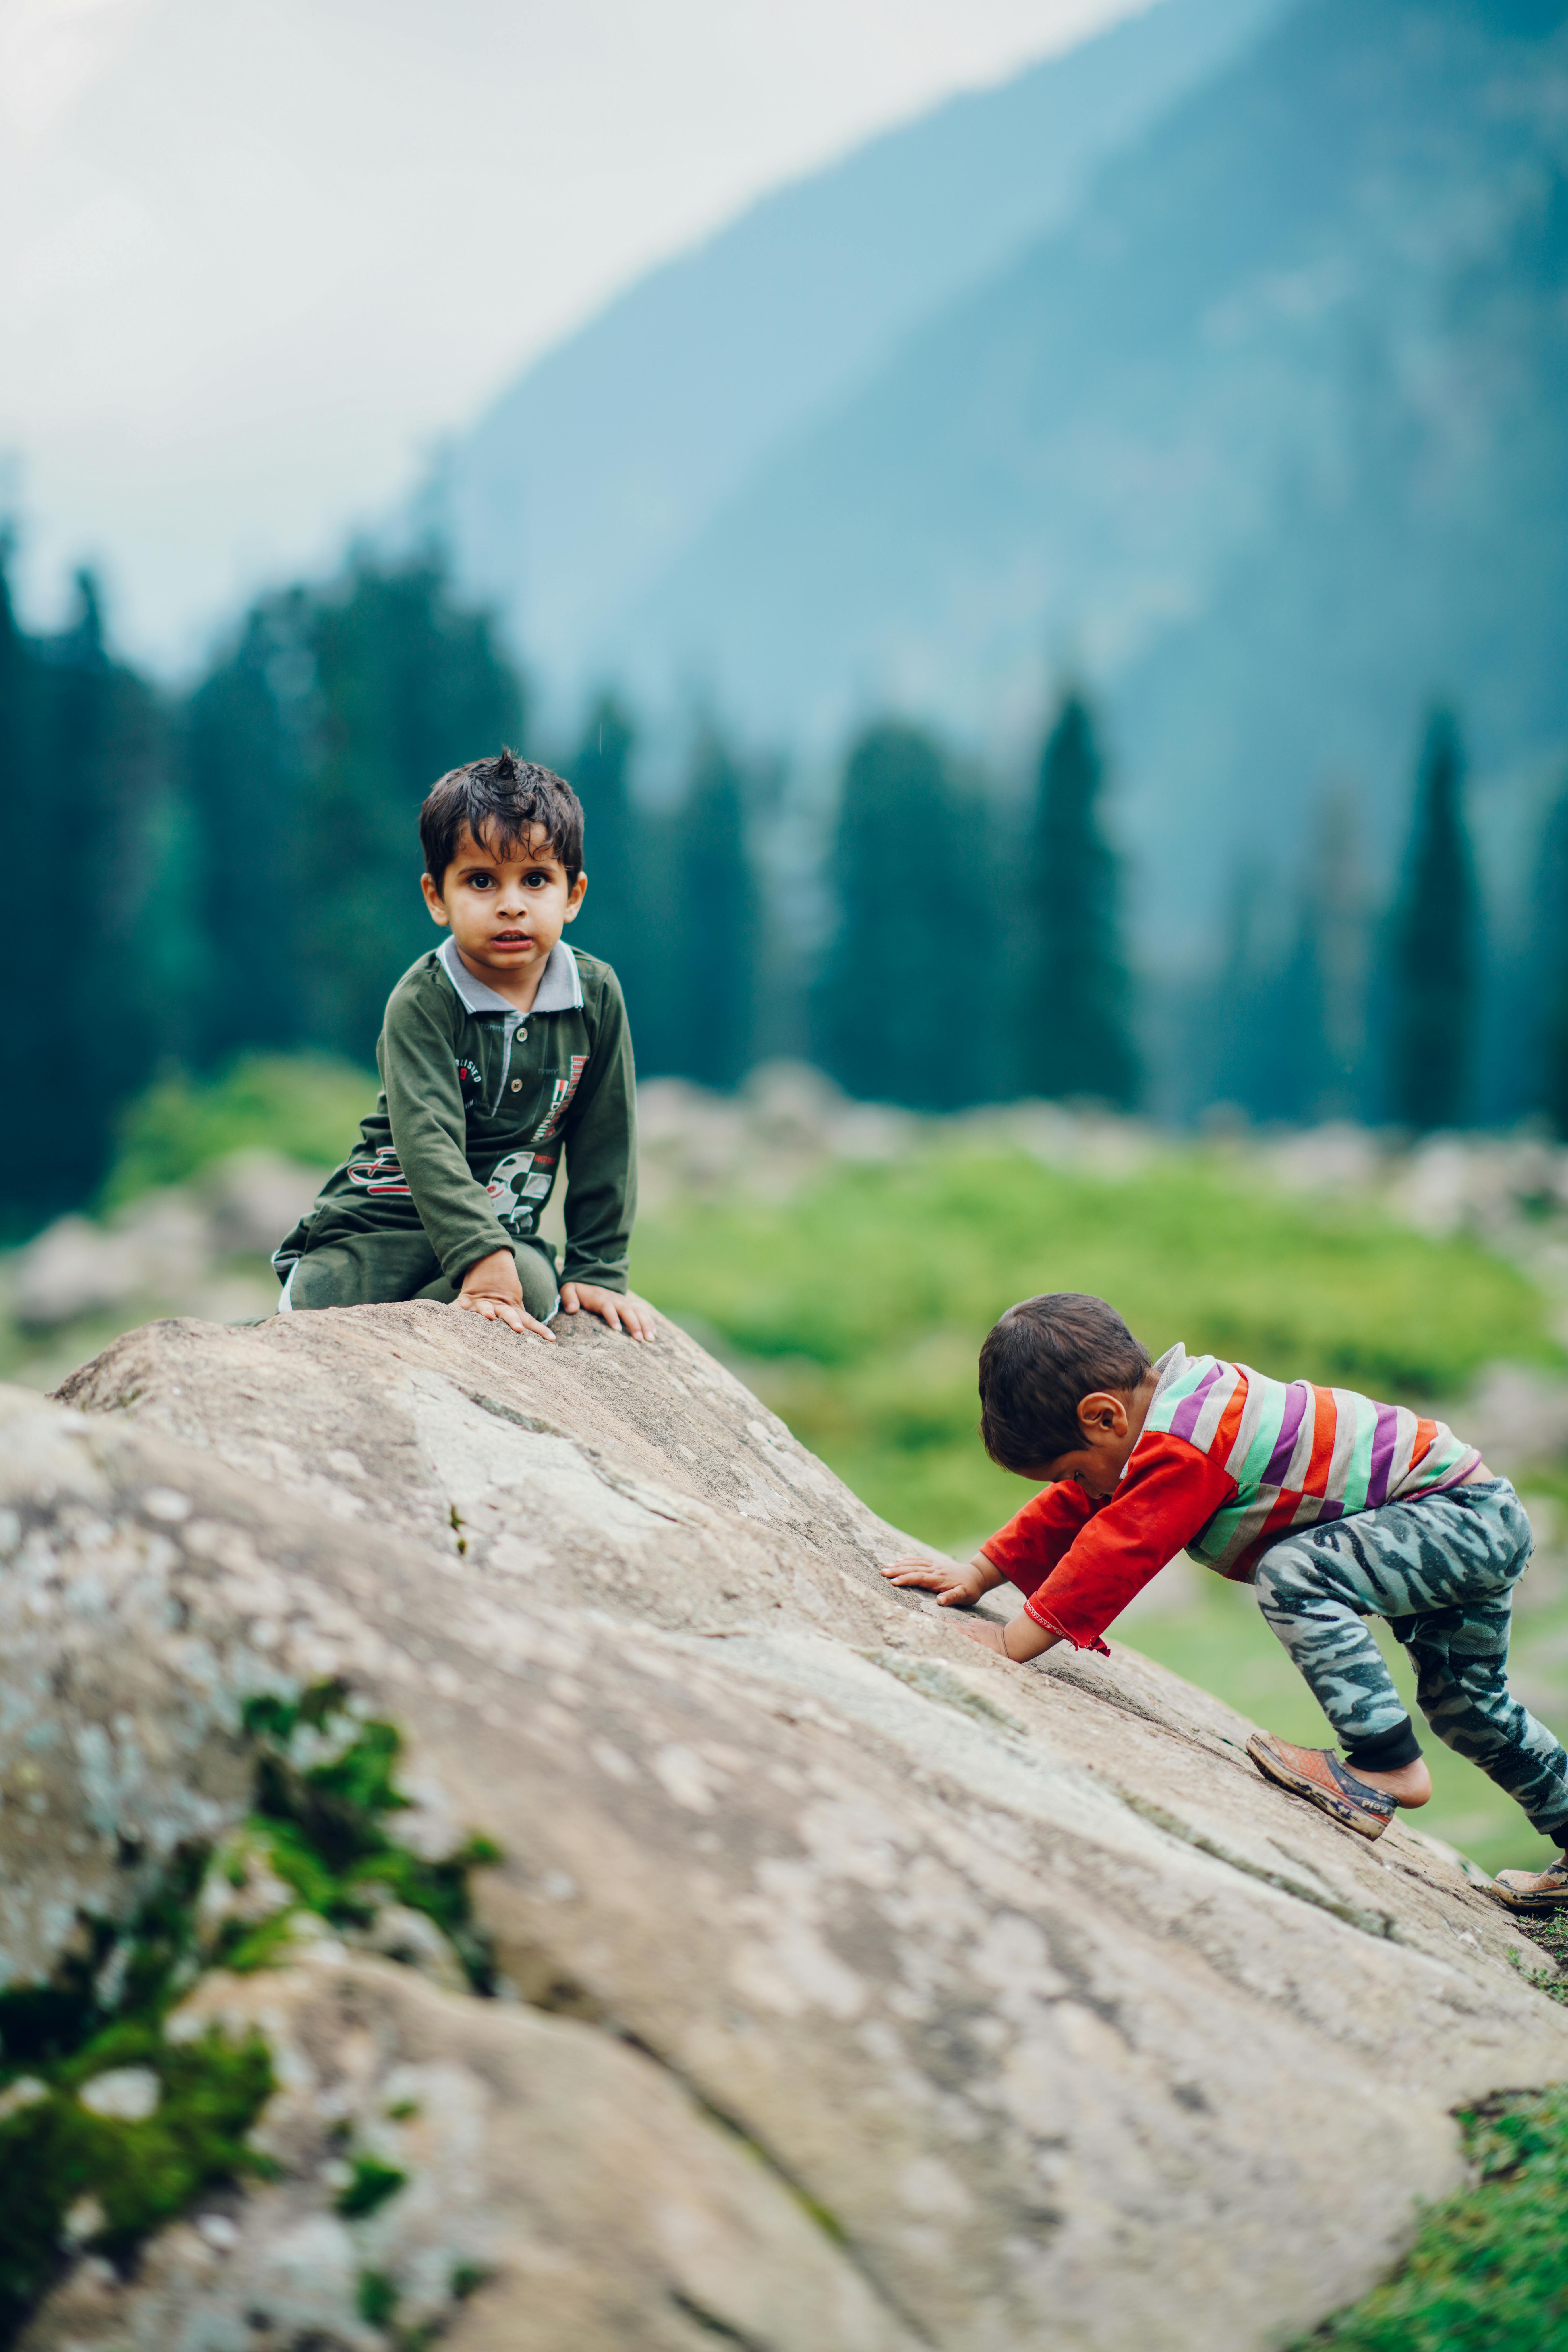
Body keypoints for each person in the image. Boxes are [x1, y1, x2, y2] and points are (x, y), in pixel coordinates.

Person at [883, 1290, 1568, 1913]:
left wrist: (1014, 1643)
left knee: (1294, 1573)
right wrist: (981, 1571)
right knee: (1471, 1710)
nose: (1079, 1486)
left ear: (1102, 1416)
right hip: (1474, 1516)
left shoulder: (1186, 1440)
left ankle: (1382, 1764)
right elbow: (1086, 1504)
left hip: (1454, 1515)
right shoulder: (1161, 1416)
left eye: (1072, 1467)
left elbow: (1120, 1543)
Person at [273, 748, 655, 1344]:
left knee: (532, 1287)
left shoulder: (595, 995)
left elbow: (608, 1134)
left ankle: (443, 1321)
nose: (511, 903)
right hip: (386, 1220)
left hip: (507, 1228)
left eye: (536, 879)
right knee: (324, 1298)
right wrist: (476, 1257)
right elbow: (427, 1139)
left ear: (573, 894)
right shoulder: (423, 1000)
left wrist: (599, 1265)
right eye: (481, 881)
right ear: (436, 896)